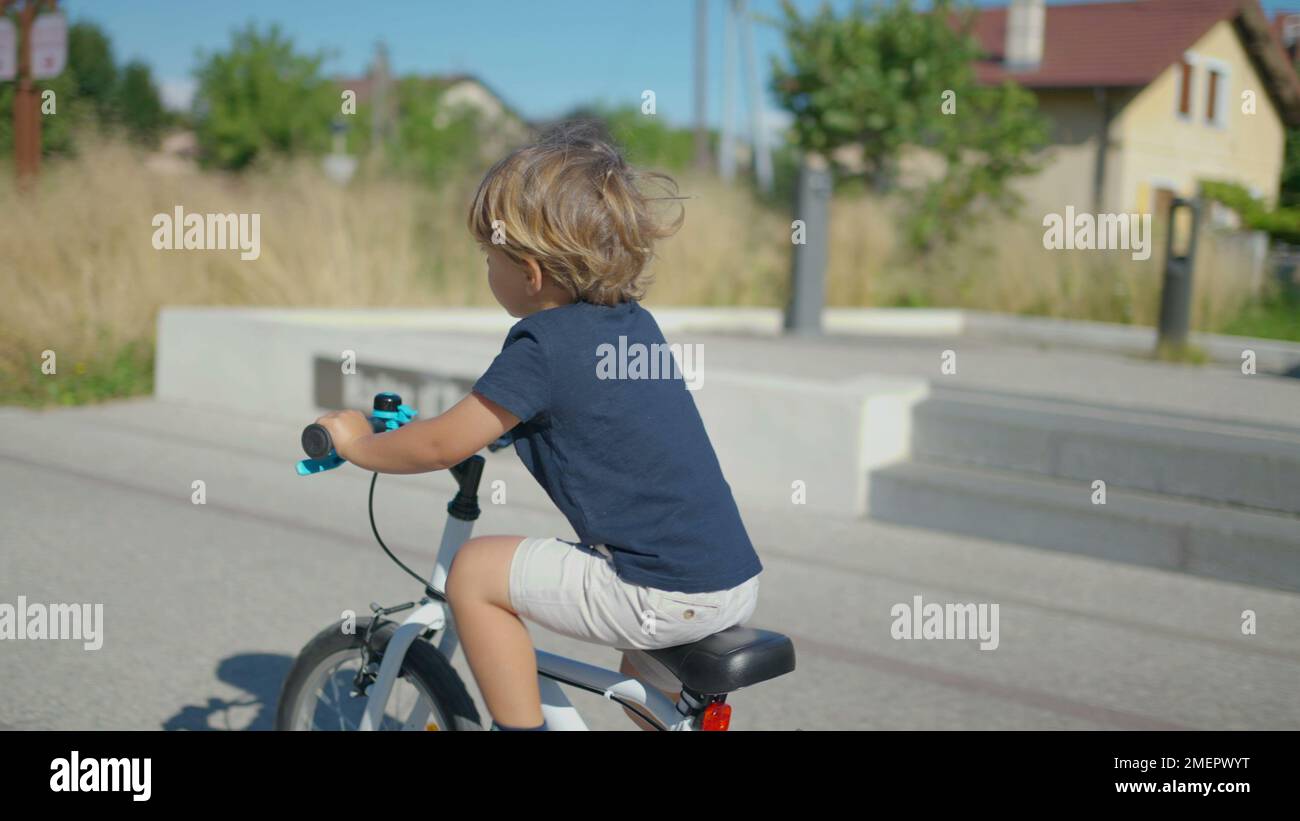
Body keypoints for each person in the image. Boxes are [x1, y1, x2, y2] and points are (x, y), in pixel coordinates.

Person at [312, 123, 763, 731]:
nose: (485, 269)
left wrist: (358, 444)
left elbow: (445, 442)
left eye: (488, 257)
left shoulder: (541, 345)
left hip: (657, 592)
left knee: (474, 574)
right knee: (640, 675)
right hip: (728, 578)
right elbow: (593, 413)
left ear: (527, 271)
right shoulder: (633, 324)